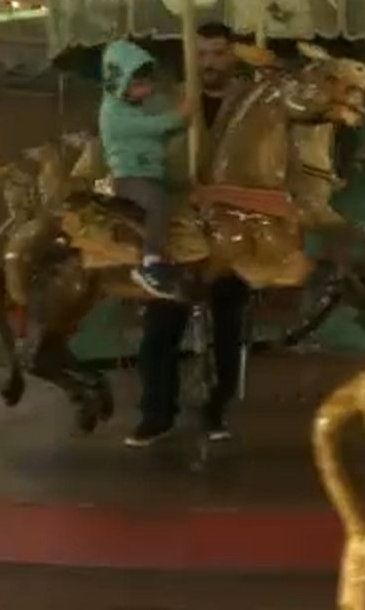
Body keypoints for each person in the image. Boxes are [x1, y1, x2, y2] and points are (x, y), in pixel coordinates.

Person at [125, 25, 251, 447]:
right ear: (189, 58)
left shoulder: (250, 104)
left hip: (230, 225)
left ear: (233, 57)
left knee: (227, 324)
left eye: (219, 53)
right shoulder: (172, 102)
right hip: (182, 221)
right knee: (162, 322)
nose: (211, 62)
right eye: (202, 54)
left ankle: (216, 408)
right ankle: (157, 412)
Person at [99, 39, 190, 300]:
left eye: (148, 82)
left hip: (152, 173)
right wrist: (180, 116)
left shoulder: (134, 108)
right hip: (130, 176)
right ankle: (151, 263)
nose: (148, 90)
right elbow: (152, 129)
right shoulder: (112, 112)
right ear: (119, 84)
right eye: (139, 84)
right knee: (157, 202)